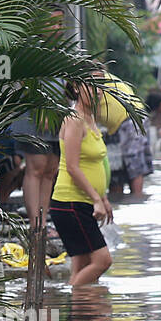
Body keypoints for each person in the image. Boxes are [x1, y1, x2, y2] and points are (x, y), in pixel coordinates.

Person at [50, 79, 114, 285]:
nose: (98, 91)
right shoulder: (74, 119)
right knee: (103, 261)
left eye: (101, 86)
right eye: (92, 85)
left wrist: (102, 198)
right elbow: (72, 166)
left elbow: (94, 165)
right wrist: (96, 199)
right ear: (76, 87)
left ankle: (78, 313)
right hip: (70, 203)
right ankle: (72, 298)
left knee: (83, 265)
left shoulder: (89, 117)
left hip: (84, 202)